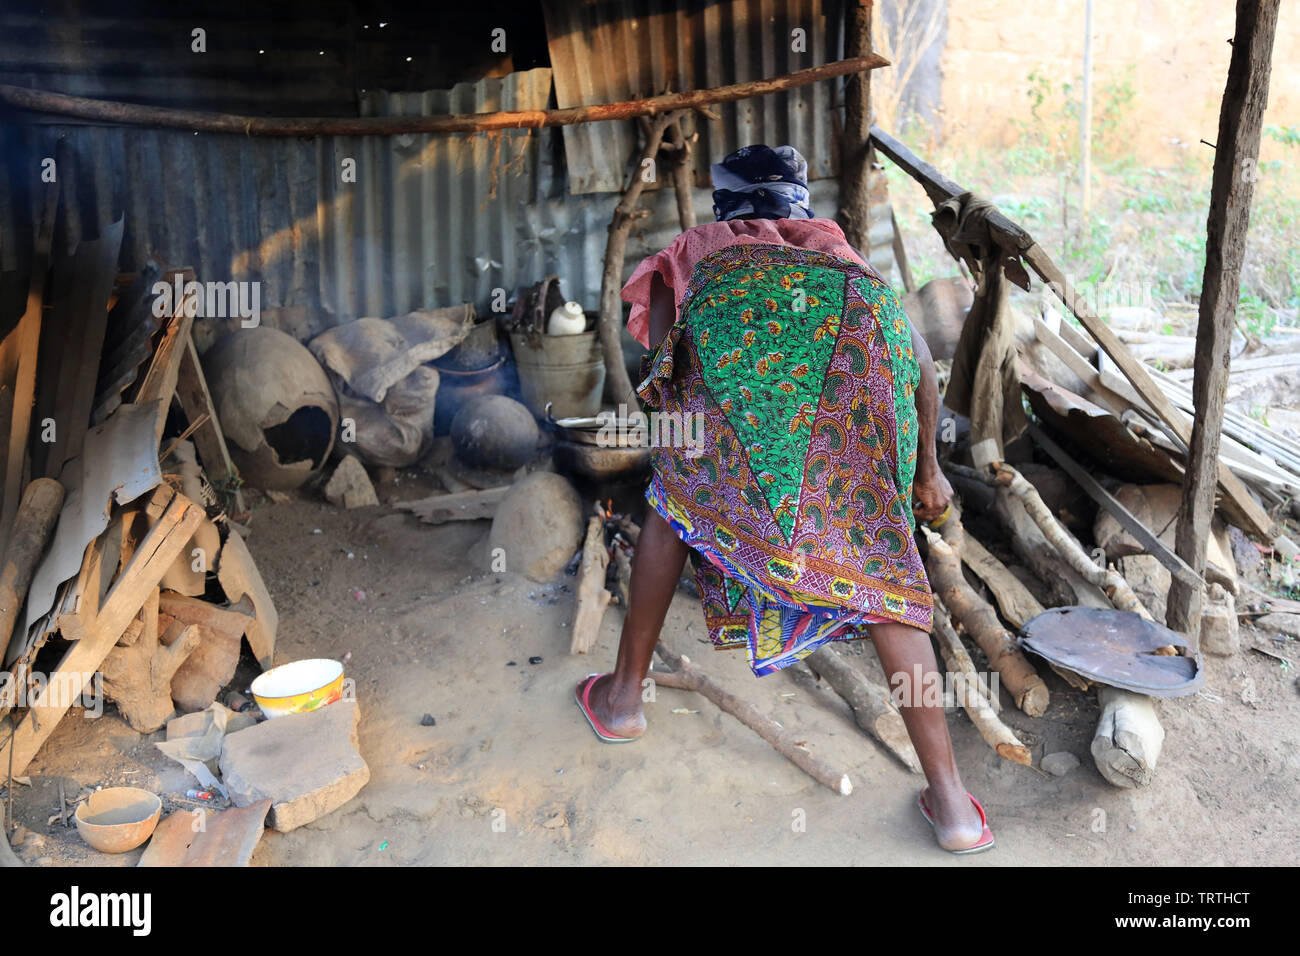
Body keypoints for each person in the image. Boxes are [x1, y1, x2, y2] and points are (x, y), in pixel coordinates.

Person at [574, 144, 993, 854]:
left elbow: (663, 364)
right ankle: (952, 806)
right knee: (883, 571)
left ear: (724, 204)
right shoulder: (837, 254)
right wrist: (926, 472)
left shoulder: (692, 252)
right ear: (798, 203)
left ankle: (621, 703)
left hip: (735, 417)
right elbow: (917, 356)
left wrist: (695, 469)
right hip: (852, 414)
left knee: (672, 509)